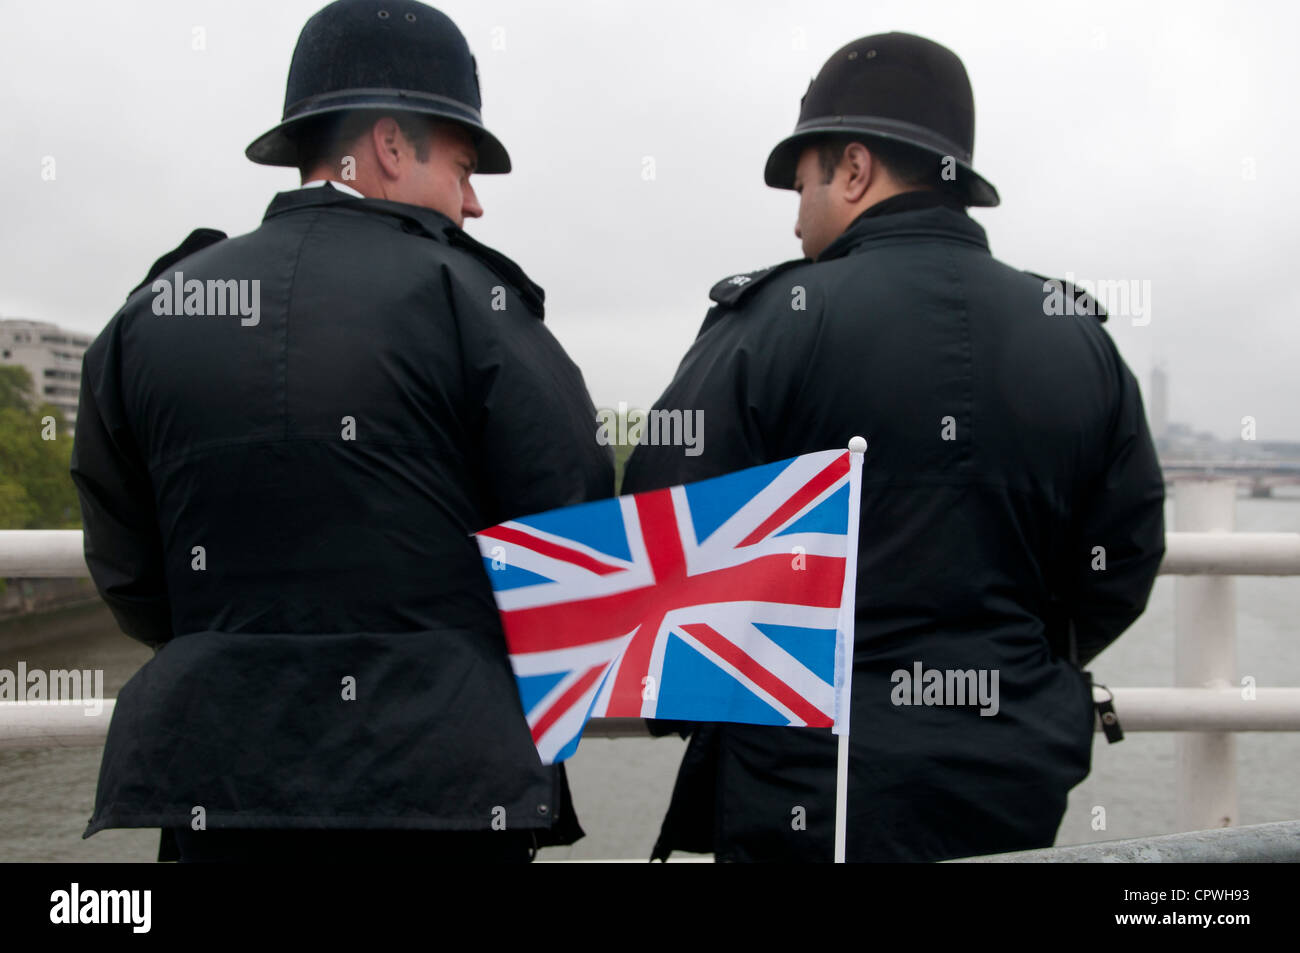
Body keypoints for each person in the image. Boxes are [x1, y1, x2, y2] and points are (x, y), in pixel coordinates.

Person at [70, 0, 612, 863]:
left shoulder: (153, 311)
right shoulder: (475, 299)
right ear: (391, 144)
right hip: (447, 792)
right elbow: (576, 532)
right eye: (466, 167)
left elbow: (130, 566)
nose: (473, 204)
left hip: (221, 783)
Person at [622, 32, 1165, 862]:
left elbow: (660, 528)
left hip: (808, 787)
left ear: (852, 168)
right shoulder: (1077, 335)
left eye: (802, 182)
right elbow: (1123, 555)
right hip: (1013, 783)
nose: (795, 210)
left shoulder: (774, 321)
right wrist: (1018, 670)